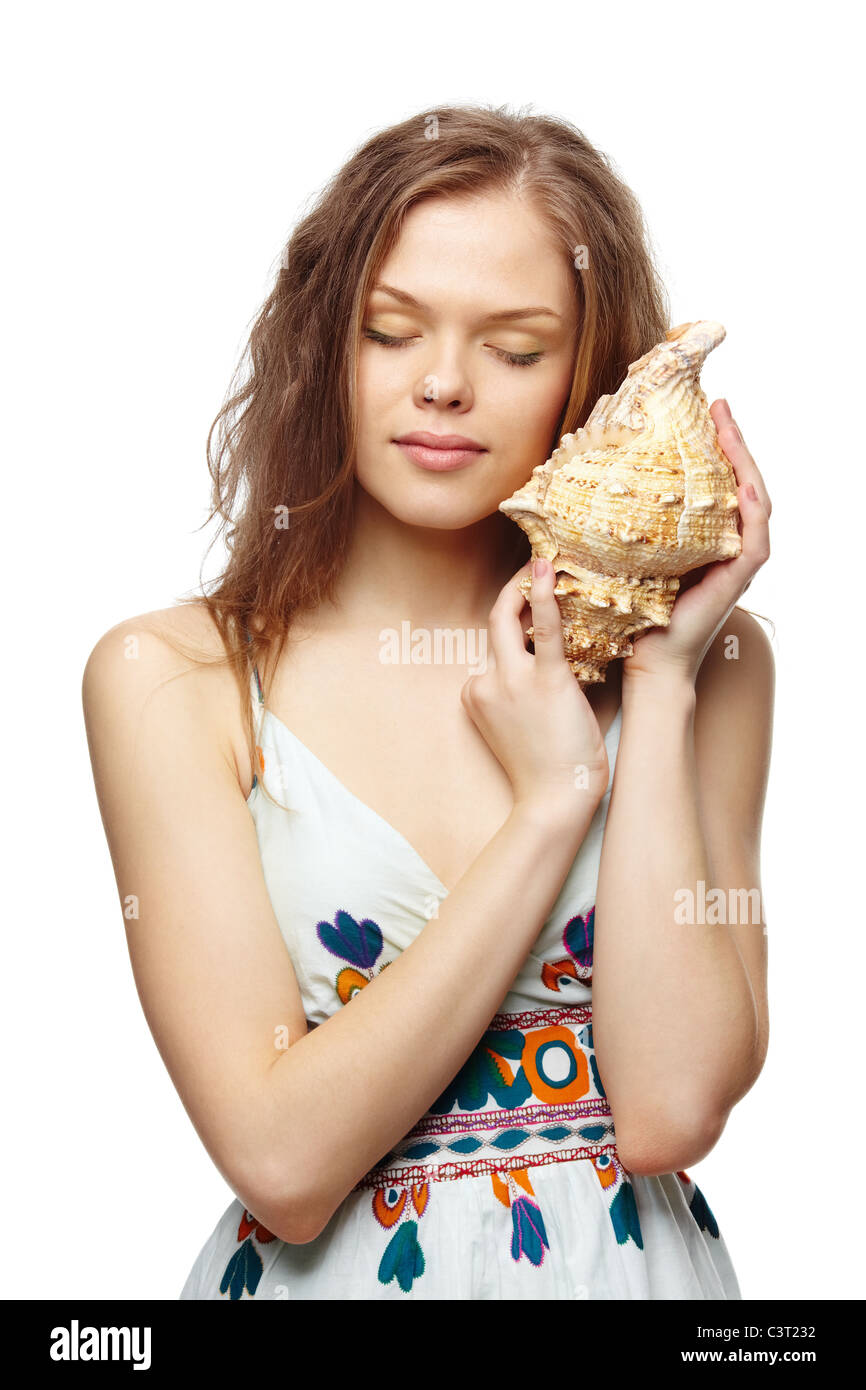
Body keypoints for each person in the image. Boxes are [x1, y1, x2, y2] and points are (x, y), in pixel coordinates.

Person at [82, 104, 774, 1300]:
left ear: (587, 371)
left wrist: (654, 685)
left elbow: (667, 1109)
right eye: (390, 332)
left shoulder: (709, 662)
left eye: (514, 350)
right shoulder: (176, 679)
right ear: (320, 348)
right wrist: (552, 803)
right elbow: (283, 1162)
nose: (444, 385)